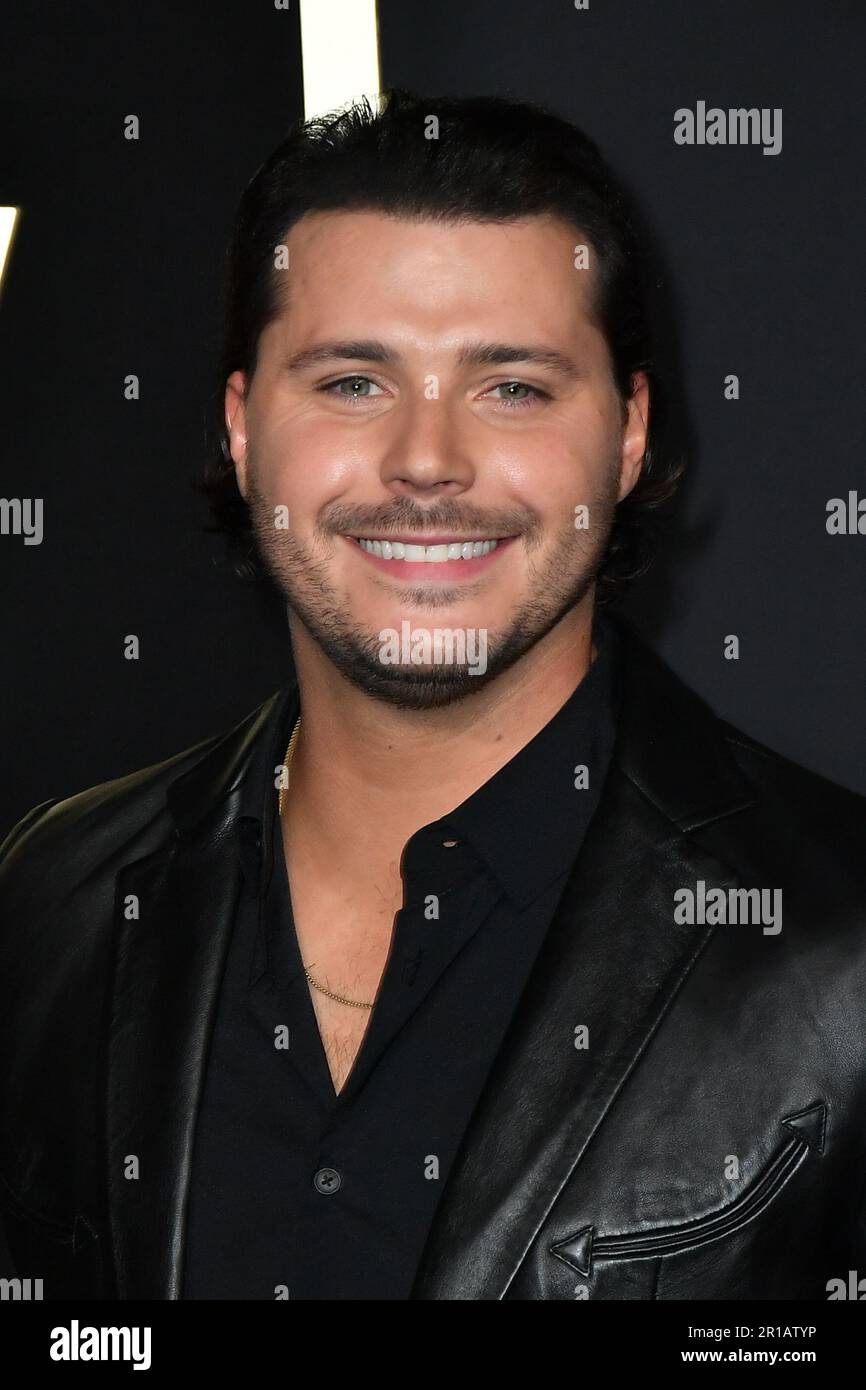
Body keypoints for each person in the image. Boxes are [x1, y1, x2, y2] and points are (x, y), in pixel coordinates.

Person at [1, 88, 865, 1302]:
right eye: (353, 381)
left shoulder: (836, 949)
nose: (425, 459)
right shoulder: (56, 897)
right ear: (243, 427)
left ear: (625, 434)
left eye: (510, 385)